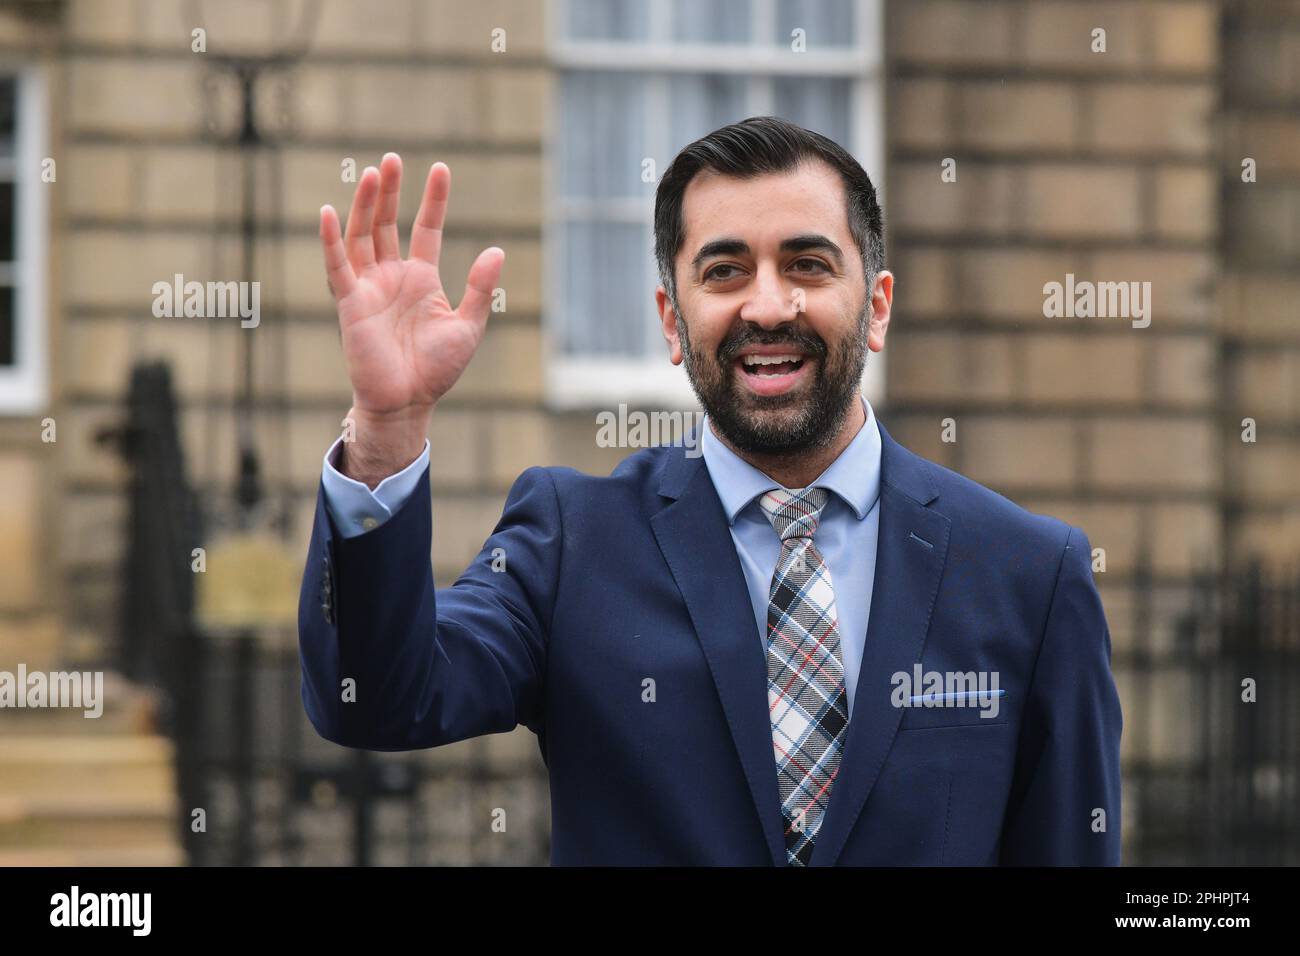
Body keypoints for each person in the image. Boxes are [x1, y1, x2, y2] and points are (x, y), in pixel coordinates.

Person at [298, 116, 1123, 866]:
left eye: (806, 264)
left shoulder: (1028, 573)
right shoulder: (573, 542)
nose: (768, 306)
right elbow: (375, 700)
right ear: (671, 320)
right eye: (725, 271)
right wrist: (389, 425)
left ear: (875, 307)